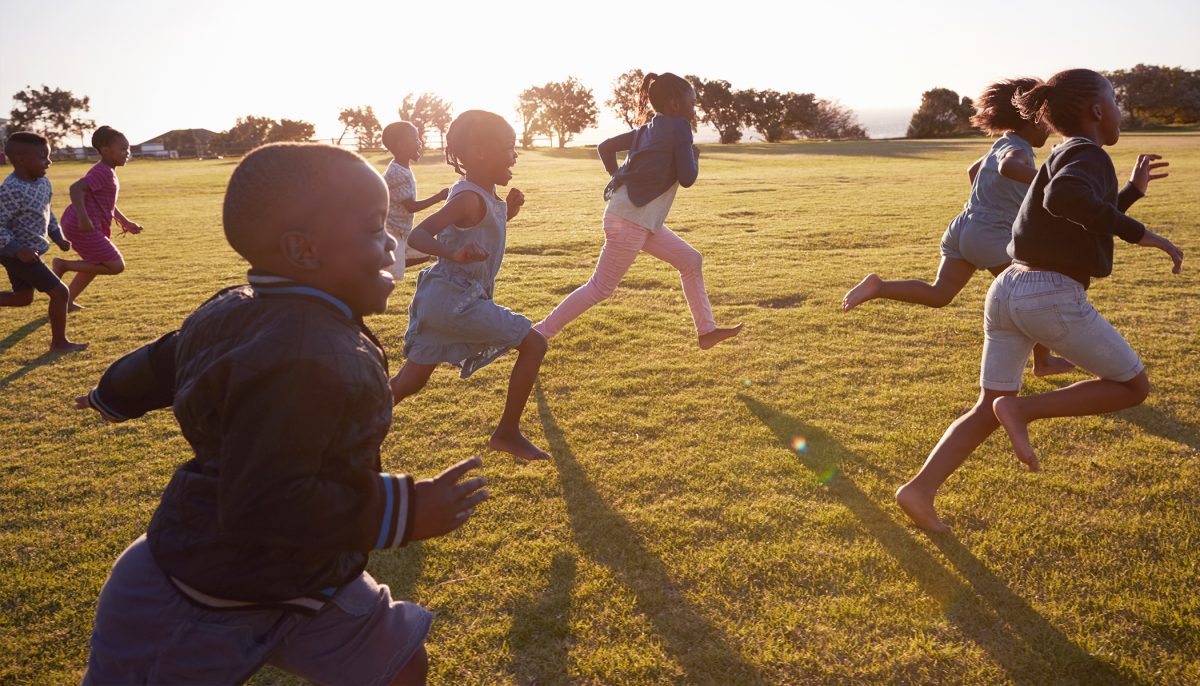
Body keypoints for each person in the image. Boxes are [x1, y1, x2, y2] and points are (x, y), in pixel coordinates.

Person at [79, 143, 489, 685]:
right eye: (371, 228)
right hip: (204, 590)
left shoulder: (242, 308)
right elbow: (265, 501)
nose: (389, 241)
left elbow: (166, 358)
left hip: (310, 573)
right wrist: (403, 510)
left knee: (397, 661)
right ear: (302, 250)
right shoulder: (304, 354)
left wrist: (113, 395)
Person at [895, 69, 1183, 533]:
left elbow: (1077, 214)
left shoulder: (1062, 152)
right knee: (1132, 387)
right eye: (1114, 102)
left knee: (988, 403)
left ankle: (919, 489)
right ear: (1095, 110)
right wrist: (1145, 236)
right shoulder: (1087, 155)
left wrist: (1131, 193)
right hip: (1048, 294)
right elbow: (1068, 198)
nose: (1119, 111)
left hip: (1009, 287)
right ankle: (1022, 410)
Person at [842, 78, 1072, 376]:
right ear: (1030, 120)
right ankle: (1043, 362)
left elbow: (974, 170)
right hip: (990, 234)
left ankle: (879, 286)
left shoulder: (1002, 142)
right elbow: (1008, 168)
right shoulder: (1019, 150)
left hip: (964, 227)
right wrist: (1049, 178)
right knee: (1034, 295)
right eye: (1045, 122)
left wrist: (988, 203)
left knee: (940, 294)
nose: (1049, 128)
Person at [533, 72, 742, 350]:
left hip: (636, 218)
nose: (694, 109)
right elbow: (688, 178)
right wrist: (693, 155)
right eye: (691, 103)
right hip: (631, 221)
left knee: (691, 261)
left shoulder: (647, 129)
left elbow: (605, 147)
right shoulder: (679, 128)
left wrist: (617, 175)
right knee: (599, 288)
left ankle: (706, 332)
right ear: (674, 105)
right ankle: (538, 334)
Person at [391, 110, 550, 461]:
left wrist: (507, 212)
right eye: (509, 148)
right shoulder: (468, 198)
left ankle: (351, 427)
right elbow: (419, 233)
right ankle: (507, 433)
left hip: (445, 301)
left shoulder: (485, 196)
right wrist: (453, 253)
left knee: (408, 383)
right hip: (454, 302)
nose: (515, 155)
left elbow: (481, 227)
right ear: (479, 152)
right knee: (534, 344)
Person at [0, 131, 87, 352]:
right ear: (21, 160)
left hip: (29, 252)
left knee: (22, 298)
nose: (49, 162)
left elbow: (47, 213)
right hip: (15, 254)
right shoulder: (10, 189)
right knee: (60, 293)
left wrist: (58, 237)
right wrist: (17, 249)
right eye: (43, 157)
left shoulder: (43, 182)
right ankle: (59, 343)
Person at [52, 125, 143, 310]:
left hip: (85, 223)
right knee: (116, 265)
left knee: (96, 263)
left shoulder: (108, 171)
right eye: (123, 149)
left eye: (129, 149)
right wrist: (84, 219)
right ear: (105, 149)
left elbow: (107, 203)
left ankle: (67, 302)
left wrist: (126, 222)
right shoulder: (103, 171)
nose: (127, 153)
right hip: (81, 224)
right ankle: (63, 265)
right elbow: (75, 189)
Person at [382, 121, 448, 280]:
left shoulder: (402, 168)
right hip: (392, 233)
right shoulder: (396, 172)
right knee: (391, 277)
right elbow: (411, 207)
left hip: (403, 231)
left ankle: (391, 263)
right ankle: (381, 267)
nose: (420, 143)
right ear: (402, 145)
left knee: (425, 251)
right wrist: (439, 197)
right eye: (416, 139)